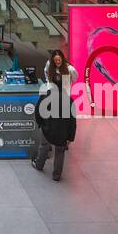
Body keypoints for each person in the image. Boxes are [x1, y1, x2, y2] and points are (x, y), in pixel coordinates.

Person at [32, 49, 77, 182]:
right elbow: (72, 121)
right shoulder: (67, 101)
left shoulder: (70, 70)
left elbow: (38, 111)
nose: (57, 62)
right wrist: (70, 137)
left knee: (47, 144)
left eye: (59, 60)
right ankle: (56, 175)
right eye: (55, 60)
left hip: (52, 123)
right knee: (59, 148)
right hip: (60, 123)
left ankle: (41, 165)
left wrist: (40, 124)